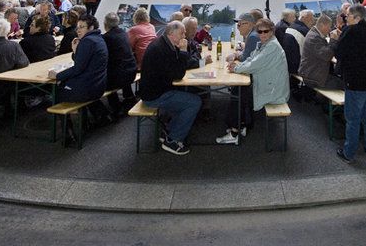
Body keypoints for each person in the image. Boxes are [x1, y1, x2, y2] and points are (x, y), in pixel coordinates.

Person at [216, 18, 289, 144]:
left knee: (238, 94)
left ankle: (234, 133)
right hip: (268, 83)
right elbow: (251, 58)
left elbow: (254, 64)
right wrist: (238, 66)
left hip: (274, 91)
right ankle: (242, 125)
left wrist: (237, 68)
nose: (263, 34)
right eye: (260, 32)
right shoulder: (264, 43)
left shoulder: (272, 46)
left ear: (272, 31)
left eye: (266, 31)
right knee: (240, 90)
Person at [137, 21, 202, 156]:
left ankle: (169, 131)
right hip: (154, 96)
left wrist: (183, 54)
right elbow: (178, 74)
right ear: (171, 34)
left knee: (188, 95)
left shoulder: (164, 43)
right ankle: (173, 140)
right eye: (182, 33)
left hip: (156, 90)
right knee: (194, 102)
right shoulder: (161, 49)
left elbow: (179, 65)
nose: (184, 36)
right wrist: (184, 51)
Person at [333, 5, 366, 163]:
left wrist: (335, 39)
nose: (346, 18)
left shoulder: (350, 31)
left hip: (355, 81)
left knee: (353, 119)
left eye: (348, 16)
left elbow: (339, 52)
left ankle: (349, 152)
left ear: (356, 17)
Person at [53, 15, 111, 125]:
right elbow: (83, 63)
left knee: (56, 93)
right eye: (77, 27)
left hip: (88, 89)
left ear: (91, 27)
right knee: (70, 84)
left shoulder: (87, 41)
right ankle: (99, 117)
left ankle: (68, 135)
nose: (78, 30)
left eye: (82, 27)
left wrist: (57, 76)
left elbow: (77, 69)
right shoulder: (99, 39)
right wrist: (75, 51)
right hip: (98, 85)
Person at [101, 12, 138, 117]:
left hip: (120, 76)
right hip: (132, 71)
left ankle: (116, 107)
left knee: (105, 80)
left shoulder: (106, 38)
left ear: (105, 24)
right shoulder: (123, 33)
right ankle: (129, 97)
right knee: (120, 67)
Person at [298, 14, 343, 89]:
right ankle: (320, 100)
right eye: (329, 27)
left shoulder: (314, 34)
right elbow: (327, 56)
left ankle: (320, 100)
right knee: (346, 85)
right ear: (322, 25)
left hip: (312, 73)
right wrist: (333, 40)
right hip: (313, 77)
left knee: (339, 78)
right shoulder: (314, 38)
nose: (330, 30)